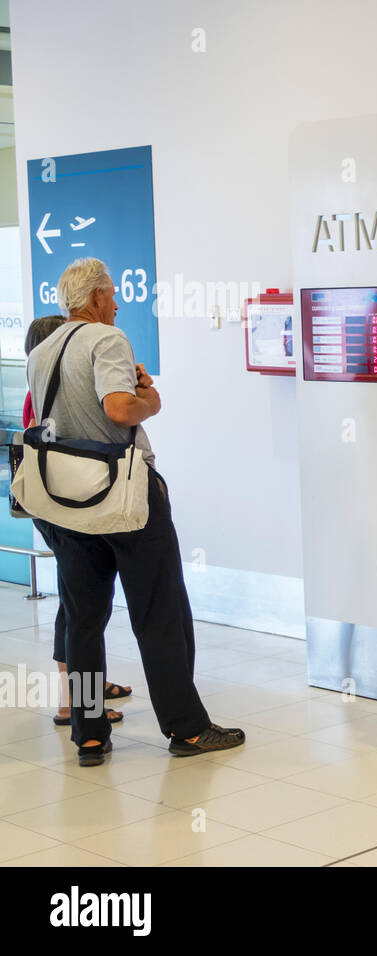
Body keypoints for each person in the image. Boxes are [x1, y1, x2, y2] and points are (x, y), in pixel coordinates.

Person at [27, 258, 245, 766]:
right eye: (112, 295)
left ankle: (88, 734)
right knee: (159, 611)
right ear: (97, 297)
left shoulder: (41, 350)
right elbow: (120, 409)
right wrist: (153, 399)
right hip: (124, 498)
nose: (119, 304)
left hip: (67, 502)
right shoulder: (107, 340)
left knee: (82, 619)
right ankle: (187, 729)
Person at [23, 314, 131, 728]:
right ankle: (75, 700)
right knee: (78, 607)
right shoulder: (49, 392)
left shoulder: (42, 389)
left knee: (80, 604)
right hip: (66, 503)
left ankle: (88, 688)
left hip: (55, 502)